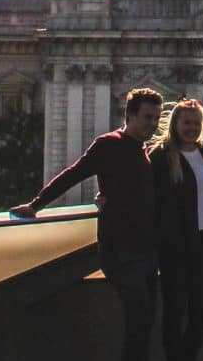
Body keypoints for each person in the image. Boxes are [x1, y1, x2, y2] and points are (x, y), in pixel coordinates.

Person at [11, 87, 164, 361]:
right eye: (147, 117)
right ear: (129, 115)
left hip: (145, 250)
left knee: (146, 320)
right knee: (139, 319)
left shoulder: (144, 150)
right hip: (120, 251)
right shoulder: (108, 143)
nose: (153, 124)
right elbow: (74, 174)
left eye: (156, 119)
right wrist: (36, 205)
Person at [148, 98, 203, 361]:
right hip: (175, 244)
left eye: (197, 123)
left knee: (201, 309)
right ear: (175, 123)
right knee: (175, 311)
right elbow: (144, 192)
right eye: (187, 122)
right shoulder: (161, 156)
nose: (192, 128)